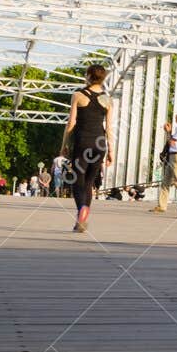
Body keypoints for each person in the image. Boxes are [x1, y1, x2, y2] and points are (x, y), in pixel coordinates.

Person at [59, 63, 113, 233]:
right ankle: (83, 216)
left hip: (82, 142)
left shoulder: (78, 95)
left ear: (88, 76)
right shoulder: (107, 99)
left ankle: (81, 209)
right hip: (100, 144)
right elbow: (109, 128)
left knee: (77, 179)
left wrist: (64, 145)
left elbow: (71, 122)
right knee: (89, 182)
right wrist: (111, 150)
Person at [149, 119, 177, 213]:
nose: (176, 118)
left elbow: (174, 144)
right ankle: (161, 206)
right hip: (171, 157)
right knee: (165, 182)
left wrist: (169, 132)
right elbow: (170, 143)